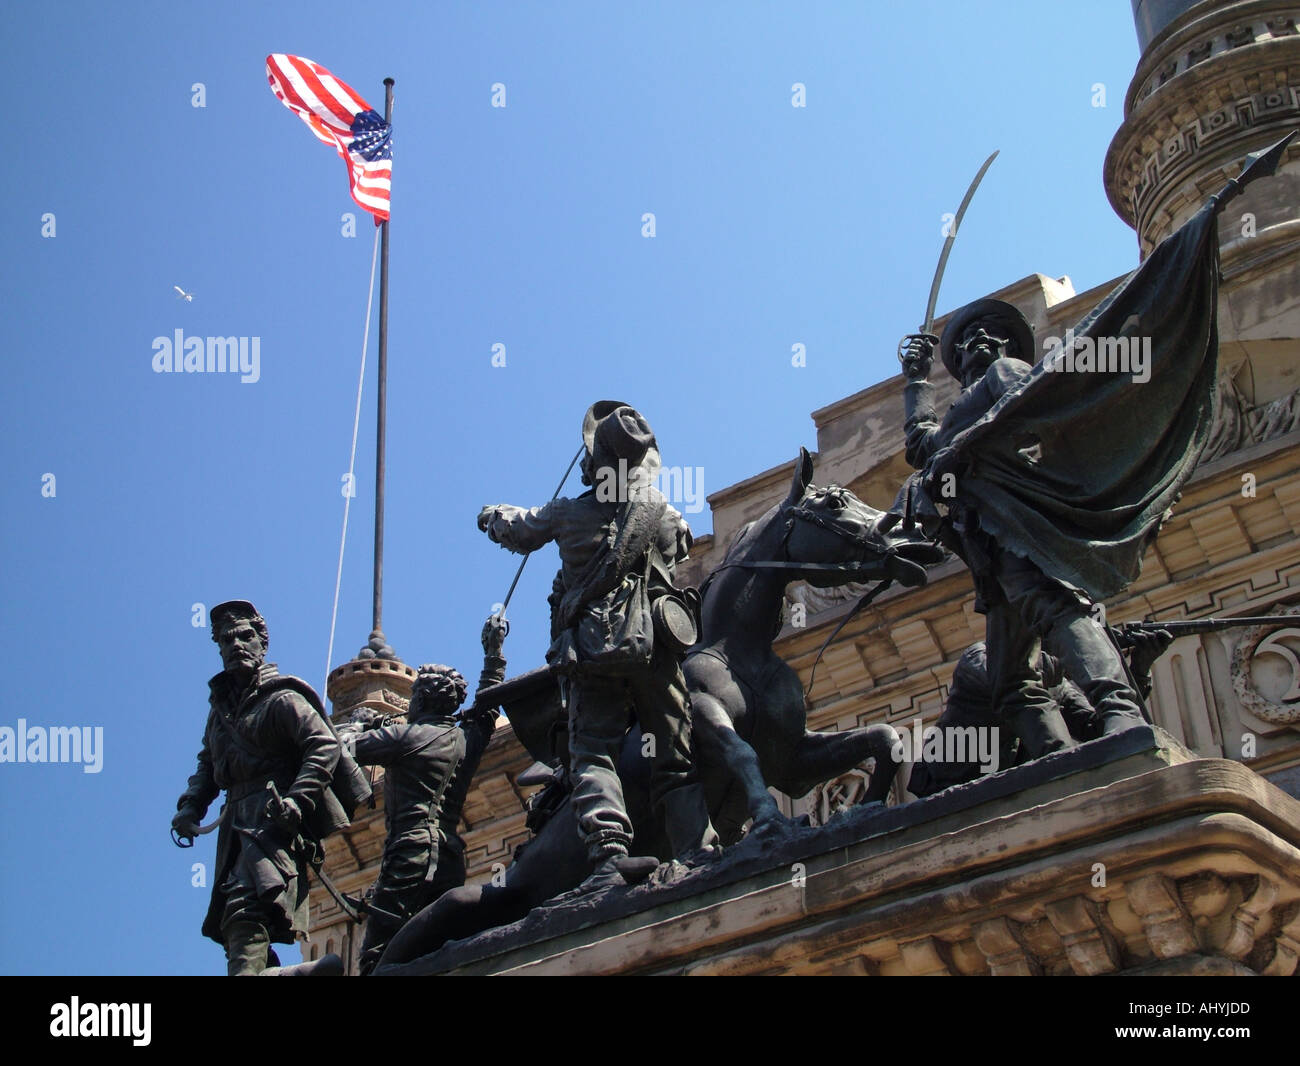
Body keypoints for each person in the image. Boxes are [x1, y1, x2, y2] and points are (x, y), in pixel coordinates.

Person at [478, 401, 717, 892]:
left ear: (595, 463)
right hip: (656, 646)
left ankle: (610, 853)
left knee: (593, 752)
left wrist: (492, 517)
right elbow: (681, 547)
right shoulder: (666, 515)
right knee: (675, 754)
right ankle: (700, 849)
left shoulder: (567, 514)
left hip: (595, 650)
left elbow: (519, 530)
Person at [894, 302, 1148, 759]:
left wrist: (961, 450)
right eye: (969, 338)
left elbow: (1027, 411)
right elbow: (922, 446)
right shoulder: (960, 409)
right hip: (987, 543)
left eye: (987, 334)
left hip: (1017, 520)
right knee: (1008, 679)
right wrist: (916, 381)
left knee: (1055, 609)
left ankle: (1120, 711)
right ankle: (1055, 756)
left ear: (1007, 345)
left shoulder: (1007, 371)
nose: (977, 342)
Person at [171, 600, 358, 975]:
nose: (237, 645)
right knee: (233, 914)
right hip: (235, 823)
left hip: (271, 820)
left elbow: (322, 745)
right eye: (227, 640)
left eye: (245, 636)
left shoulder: (283, 697)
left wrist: (298, 799)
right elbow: (208, 765)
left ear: (262, 644)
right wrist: (191, 807)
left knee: (245, 906)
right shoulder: (219, 713)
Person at [342, 617, 507, 974]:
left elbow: (342, 749)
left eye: (413, 696)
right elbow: (489, 708)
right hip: (449, 857)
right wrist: (494, 654)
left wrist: (359, 722)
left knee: (377, 955)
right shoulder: (466, 741)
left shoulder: (405, 738)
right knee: (439, 948)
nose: (409, 704)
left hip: (408, 854)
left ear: (423, 698)